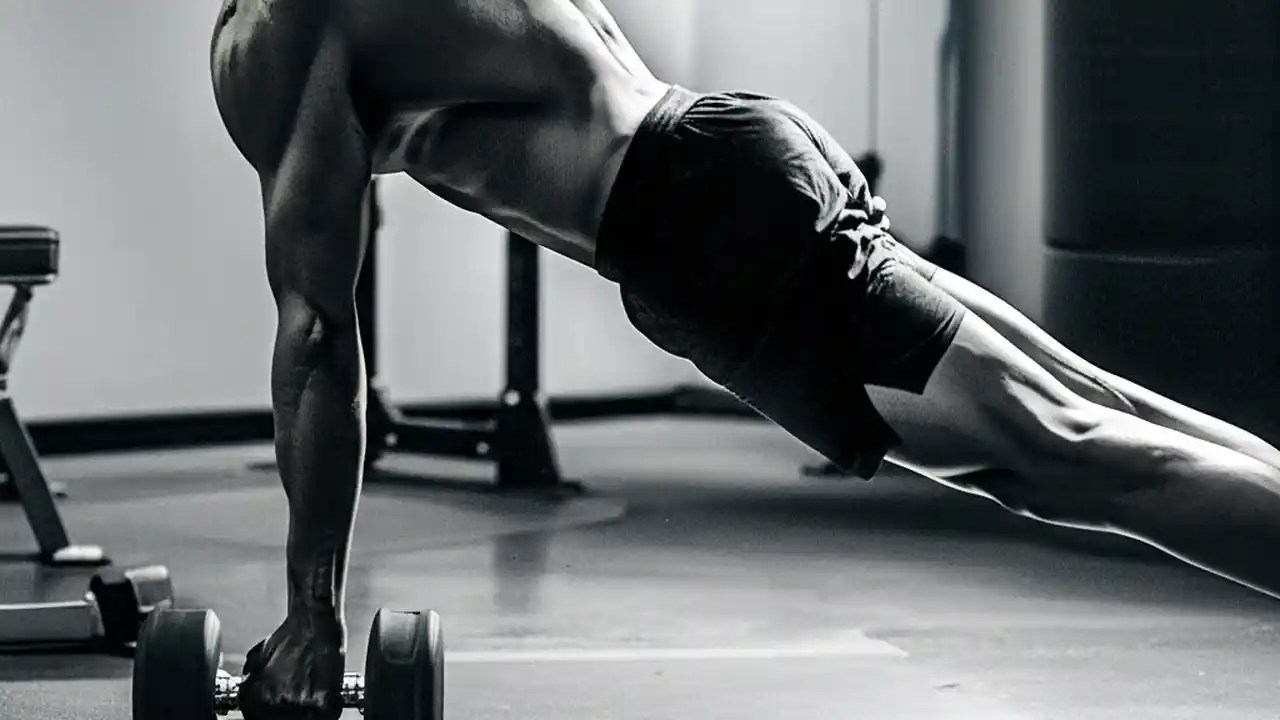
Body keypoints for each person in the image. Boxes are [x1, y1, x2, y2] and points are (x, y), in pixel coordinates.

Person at [210, 0, 1280, 716]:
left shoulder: (277, 33)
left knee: (1073, 459)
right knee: (1098, 409)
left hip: (698, 231)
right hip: (731, 144)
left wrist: (310, 617)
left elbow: (314, 331)